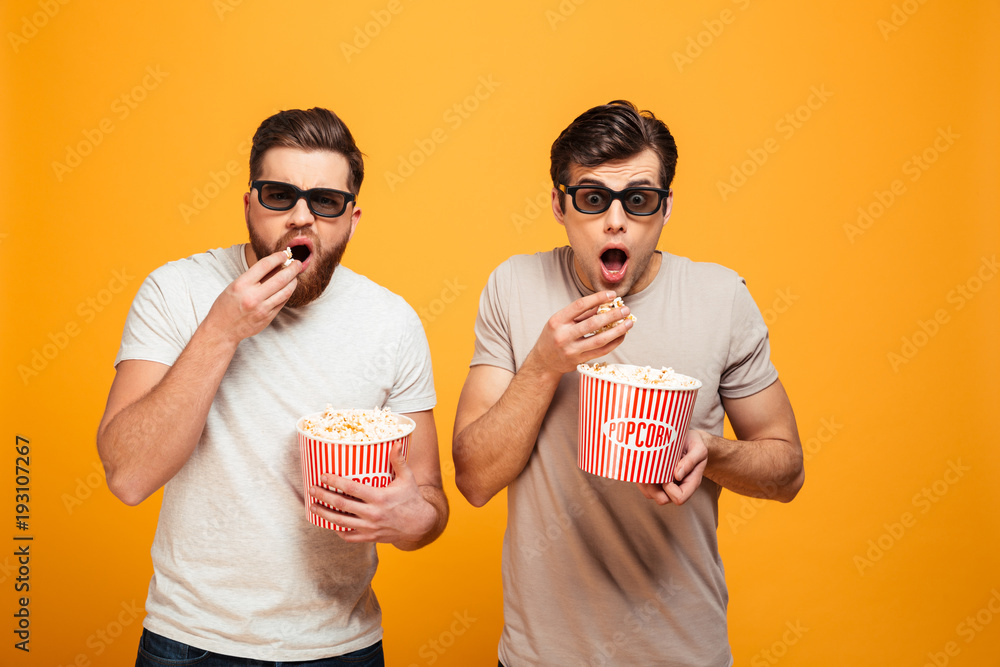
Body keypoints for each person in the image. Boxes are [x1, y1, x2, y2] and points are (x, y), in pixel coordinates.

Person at [453, 100, 804, 666]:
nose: (615, 221)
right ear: (559, 205)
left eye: (638, 200)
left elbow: (786, 471)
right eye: (593, 199)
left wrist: (708, 451)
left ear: (665, 209)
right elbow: (473, 479)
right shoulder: (513, 286)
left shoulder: (722, 298)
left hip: (683, 653)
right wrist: (544, 365)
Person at [97, 107, 448, 666]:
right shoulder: (176, 291)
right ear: (249, 203)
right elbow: (128, 476)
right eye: (279, 195)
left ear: (353, 218)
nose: (301, 218)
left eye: (325, 201)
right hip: (192, 643)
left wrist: (414, 520)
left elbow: (430, 499)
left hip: (343, 649)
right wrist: (220, 330)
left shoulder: (393, 321)